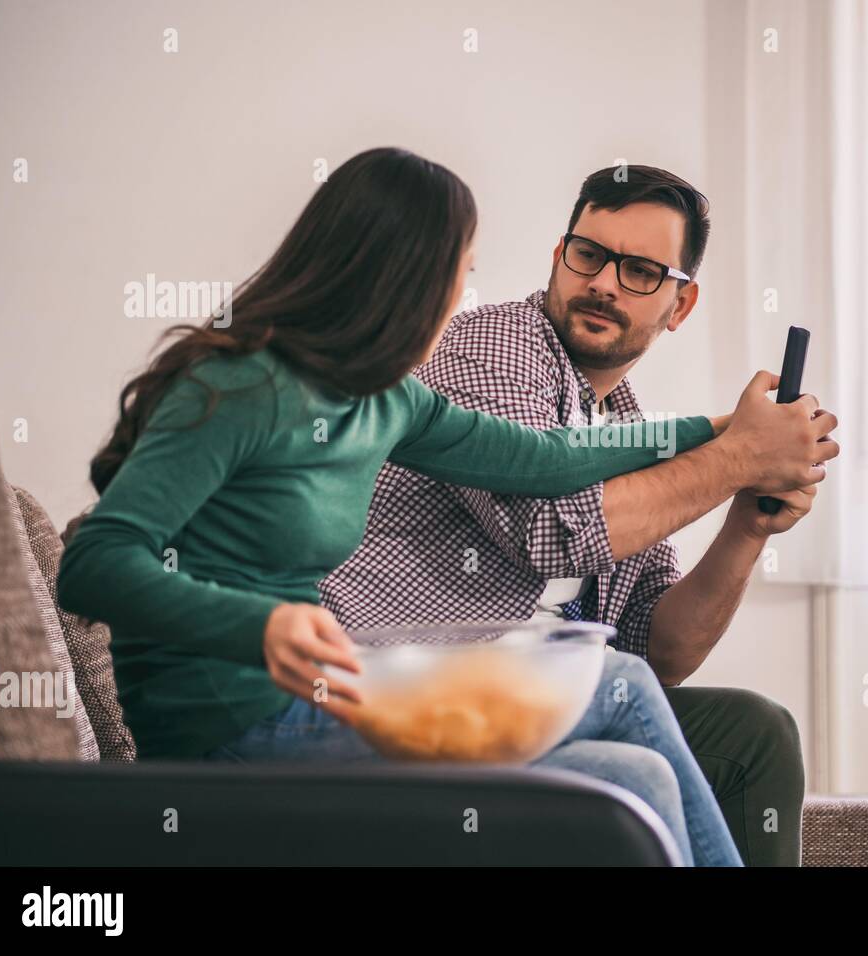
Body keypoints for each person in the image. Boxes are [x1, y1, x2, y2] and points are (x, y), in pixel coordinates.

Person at [56, 148, 838, 867]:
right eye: (458, 274)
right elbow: (95, 564)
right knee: (622, 684)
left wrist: (720, 430)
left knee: (632, 776)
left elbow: (548, 460)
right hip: (230, 730)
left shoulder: (385, 401)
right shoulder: (239, 385)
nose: (462, 297)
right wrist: (258, 625)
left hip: (327, 711)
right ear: (400, 277)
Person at [321, 164, 836, 865]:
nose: (604, 283)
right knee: (624, 709)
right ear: (560, 257)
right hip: (420, 693)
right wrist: (740, 456)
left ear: (680, 306)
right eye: (589, 255)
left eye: (641, 272)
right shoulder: (493, 349)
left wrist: (745, 523)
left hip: (541, 703)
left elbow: (662, 651)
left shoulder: (624, 421)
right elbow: (550, 531)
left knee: (754, 732)